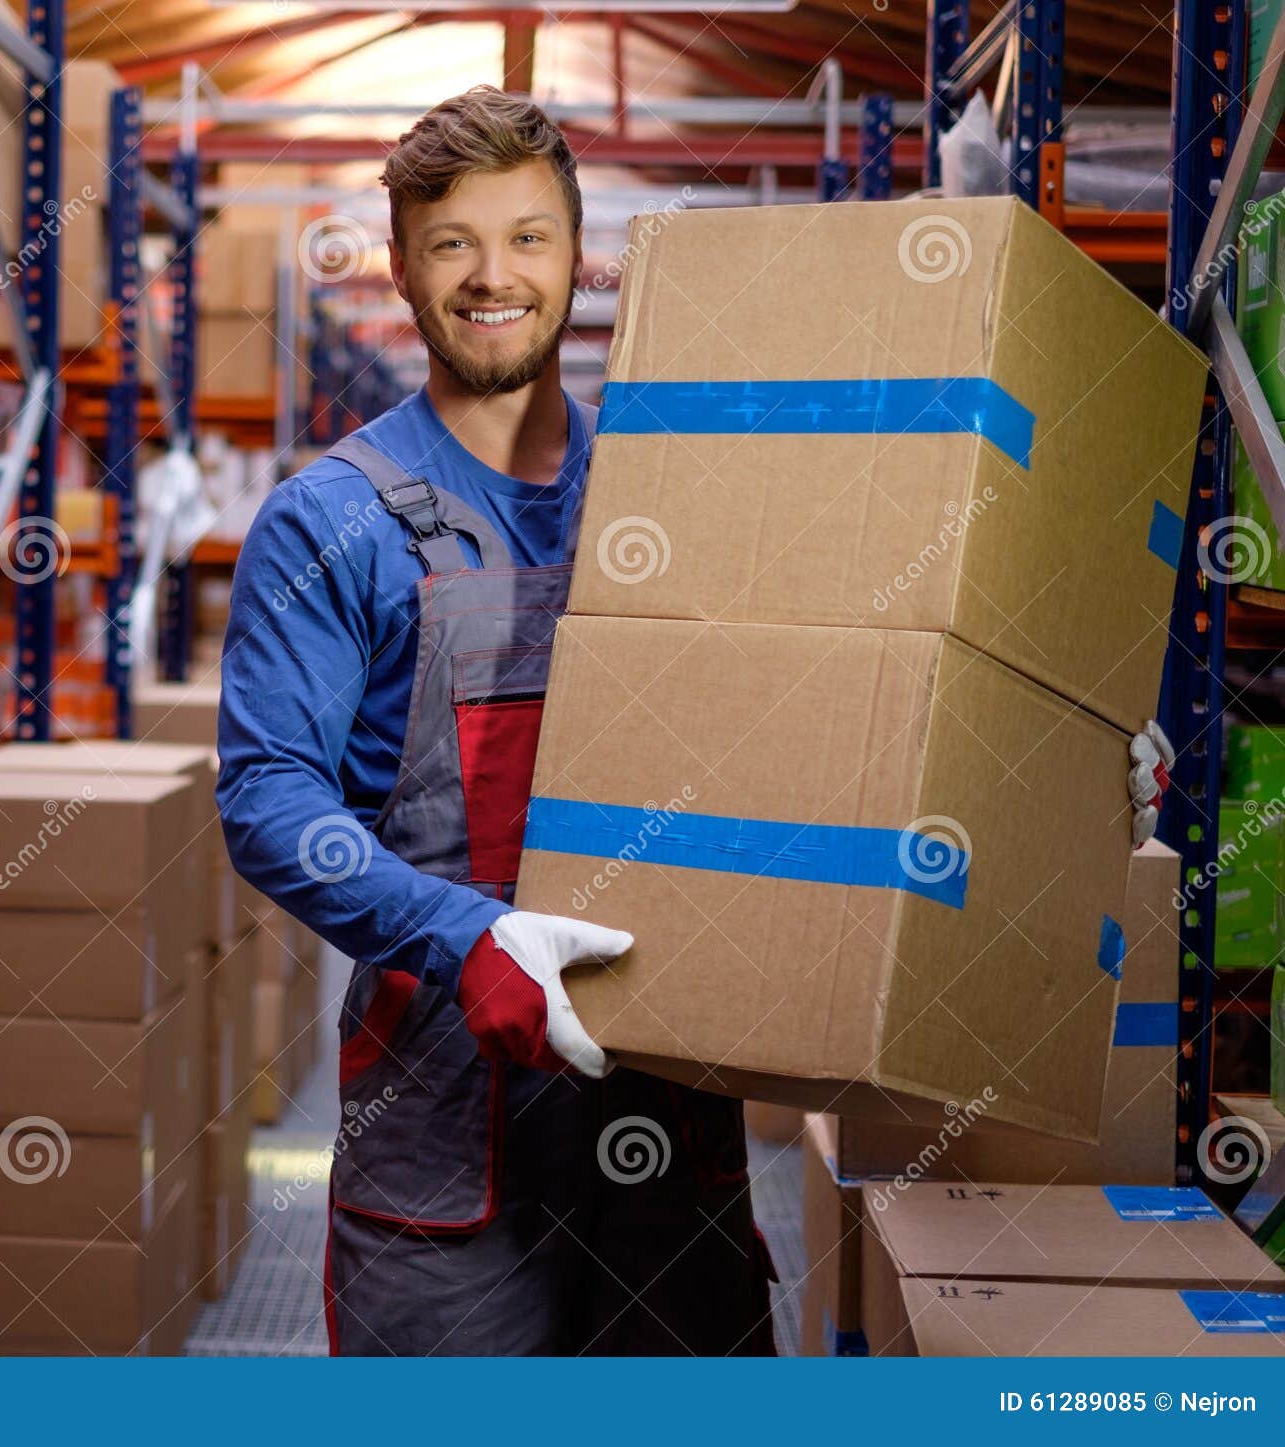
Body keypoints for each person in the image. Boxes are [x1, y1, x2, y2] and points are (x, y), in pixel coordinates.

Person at [216, 86, 1172, 1357]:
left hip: (673, 1099)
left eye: (527, 238)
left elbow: (843, 693)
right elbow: (268, 797)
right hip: (447, 1133)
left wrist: (1051, 757)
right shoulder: (329, 519)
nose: (492, 277)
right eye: (451, 243)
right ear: (399, 265)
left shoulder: (687, 471)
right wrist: (467, 934)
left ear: (580, 256)